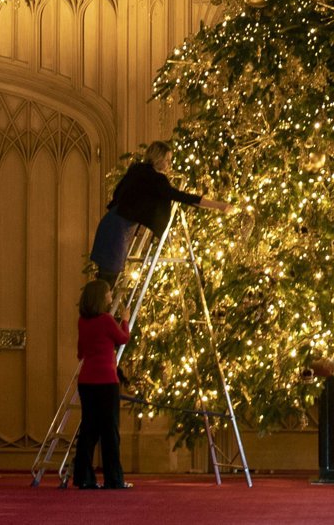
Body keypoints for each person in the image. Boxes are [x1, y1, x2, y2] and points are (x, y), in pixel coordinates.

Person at [89, 141, 233, 287]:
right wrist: (218, 206)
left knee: (103, 280)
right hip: (118, 231)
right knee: (107, 284)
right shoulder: (156, 178)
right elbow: (181, 197)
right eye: (167, 160)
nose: (169, 164)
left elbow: (117, 193)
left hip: (109, 222)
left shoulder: (136, 170)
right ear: (157, 158)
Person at [73, 278, 131, 490]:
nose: (110, 297)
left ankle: (84, 477)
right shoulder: (106, 320)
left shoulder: (83, 321)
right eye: (107, 294)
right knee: (110, 432)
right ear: (100, 297)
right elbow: (123, 338)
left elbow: (80, 351)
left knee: (89, 430)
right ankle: (113, 478)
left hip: (86, 381)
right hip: (106, 381)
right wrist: (125, 319)